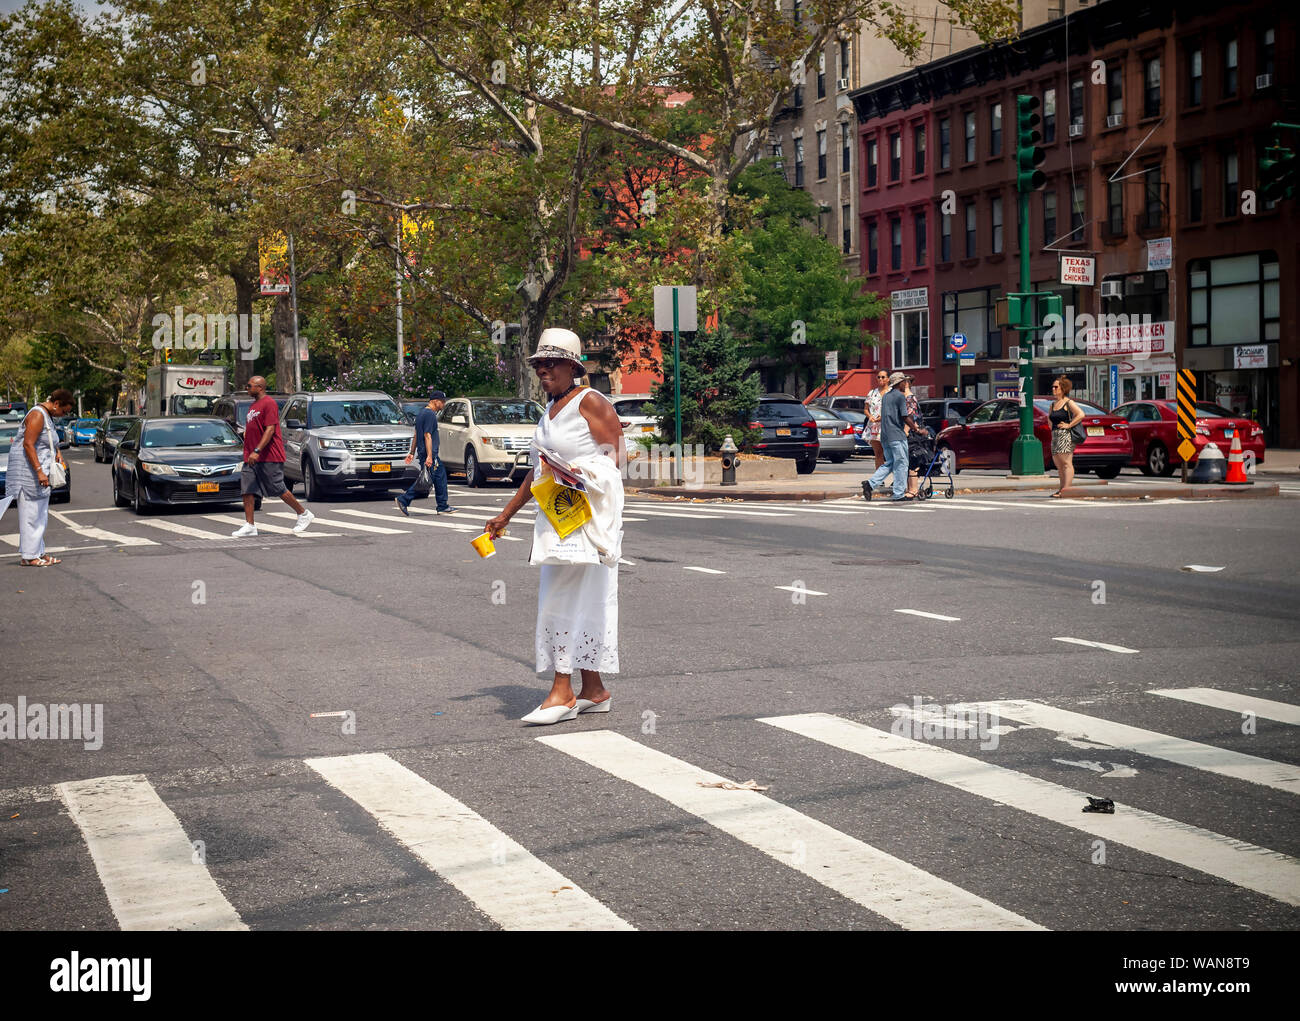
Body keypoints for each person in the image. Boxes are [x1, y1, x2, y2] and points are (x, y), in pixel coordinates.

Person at [484, 328, 626, 725]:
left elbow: (615, 460)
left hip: (586, 521)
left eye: (551, 362)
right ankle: (593, 690)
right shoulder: (548, 411)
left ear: (572, 367)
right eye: (539, 363)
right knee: (576, 601)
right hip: (558, 519)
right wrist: (506, 514)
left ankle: (562, 692)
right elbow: (538, 472)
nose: (543, 369)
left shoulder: (591, 401)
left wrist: (577, 470)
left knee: (562, 603)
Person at [232, 376, 314, 537]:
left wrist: (257, 450)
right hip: (251, 456)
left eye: (249, 386)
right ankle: (250, 525)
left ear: (260, 387)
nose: (247, 388)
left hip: (268, 455)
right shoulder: (253, 405)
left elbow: (270, 429)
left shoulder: (269, 403)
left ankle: (303, 514)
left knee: (277, 488)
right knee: (247, 489)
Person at [4, 389, 73, 566]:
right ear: (56, 403)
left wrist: (57, 453)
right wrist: (39, 471)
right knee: (31, 515)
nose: (63, 414)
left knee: (39, 515)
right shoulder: (37, 414)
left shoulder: (47, 415)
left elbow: (49, 440)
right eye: (64, 411)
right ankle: (29, 556)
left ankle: (38, 552)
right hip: (28, 474)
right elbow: (28, 444)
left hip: (39, 473)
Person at [395, 388, 455, 516]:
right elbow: (427, 435)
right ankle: (404, 500)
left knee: (439, 478)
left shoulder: (421, 414)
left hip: (425, 452)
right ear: (435, 401)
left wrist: (412, 452)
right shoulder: (430, 415)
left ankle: (442, 505)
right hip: (429, 454)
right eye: (442, 402)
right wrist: (429, 456)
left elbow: (416, 434)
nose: (443, 404)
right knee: (425, 481)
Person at [863, 371, 918, 502]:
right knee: (902, 463)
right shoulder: (900, 396)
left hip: (885, 435)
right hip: (896, 435)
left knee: (891, 462)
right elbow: (905, 416)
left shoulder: (886, 396)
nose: (906, 383)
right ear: (899, 383)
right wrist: (917, 428)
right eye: (904, 381)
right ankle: (899, 494)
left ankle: (870, 484)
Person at [1049, 376, 1086, 497]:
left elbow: (1081, 414)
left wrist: (1069, 425)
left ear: (1063, 388)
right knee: (1059, 465)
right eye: (1053, 387)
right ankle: (1061, 489)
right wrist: (1052, 431)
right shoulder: (1053, 404)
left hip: (1065, 435)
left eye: (1056, 387)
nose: (1053, 389)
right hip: (1055, 435)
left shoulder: (1068, 402)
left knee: (1066, 463)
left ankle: (1066, 490)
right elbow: (1050, 419)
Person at [899, 375, 923, 497]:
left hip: (912, 433)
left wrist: (906, 431)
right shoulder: (906, 397)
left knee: (912, 459)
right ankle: (910, 489)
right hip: (908, 432)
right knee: (907, 460)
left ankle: (913, 489)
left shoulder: (909, 398)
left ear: (906, 383)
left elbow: (911, 416)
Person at [865, 370, 889, 469]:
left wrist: (883, 417)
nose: (880, 379)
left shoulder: (891, 392)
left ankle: (896, 480)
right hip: (874, 427)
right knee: (878, 454)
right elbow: (866, 409)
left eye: (883, 377)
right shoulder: (872, 392)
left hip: (888, 426)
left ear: (888, 379)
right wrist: (869, 416)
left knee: (890, 454)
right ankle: (879, 479)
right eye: (878, 377)